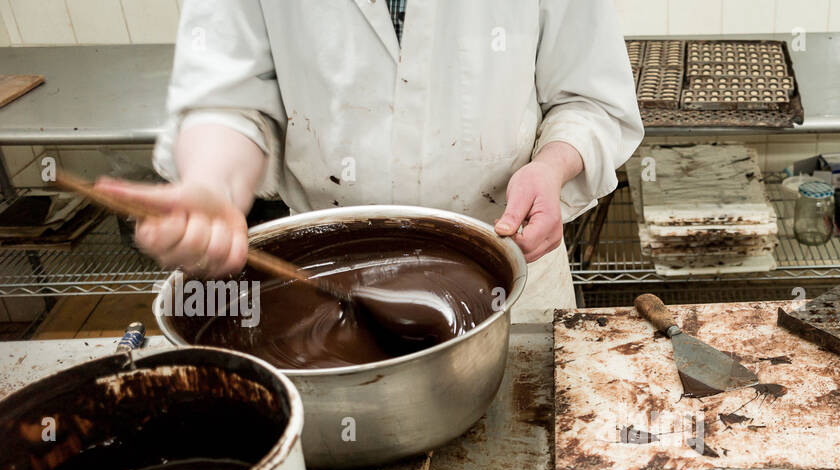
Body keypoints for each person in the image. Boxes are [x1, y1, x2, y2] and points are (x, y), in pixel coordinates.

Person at [97, 0, 643, 309]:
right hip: (323, 281)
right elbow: (230, 100)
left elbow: (589, 99)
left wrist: (551, 167)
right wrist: (213, 187)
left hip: (511, 270)